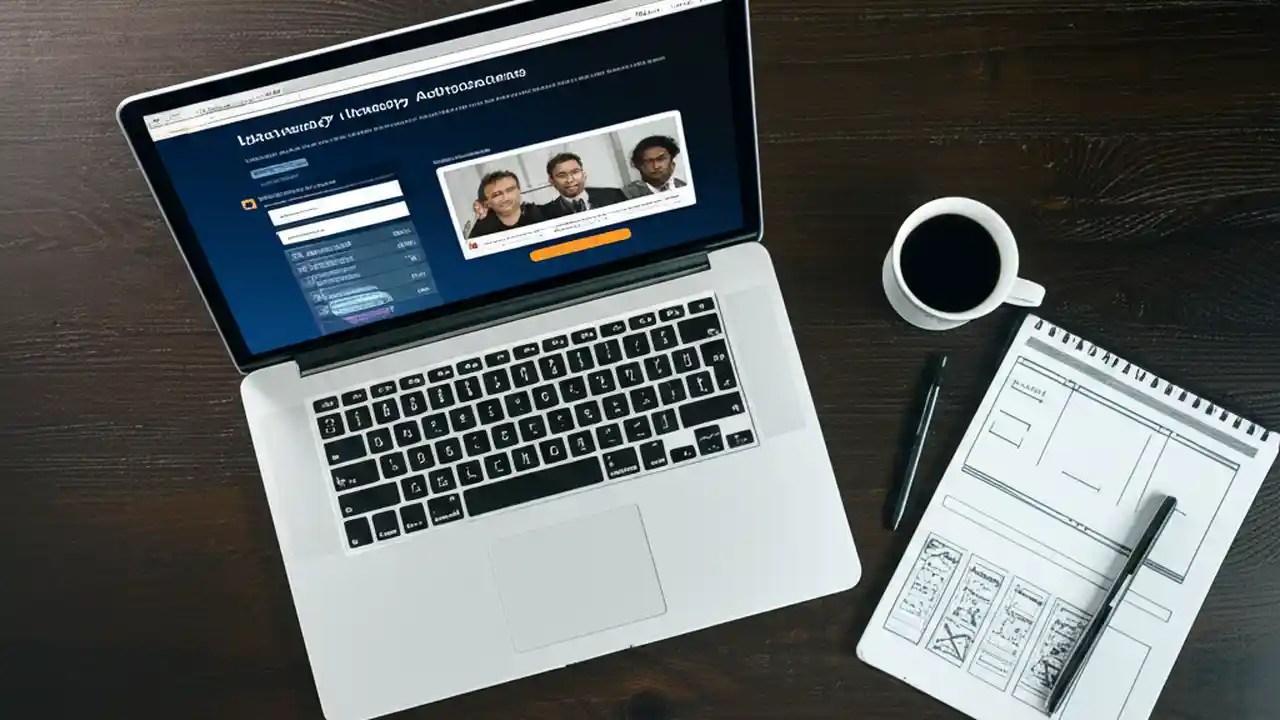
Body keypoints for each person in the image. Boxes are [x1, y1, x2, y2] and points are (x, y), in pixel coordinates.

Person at [539, 152, 627, 220]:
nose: (570, 180)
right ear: (551, 181)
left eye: (575, 172)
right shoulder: (544, 214)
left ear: (584, 174)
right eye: (562, 175)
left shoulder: (613, 196)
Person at [468, 170, 544, 238]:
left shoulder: (544, 213)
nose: (505, 198)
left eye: (510, 190)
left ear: (519, 190)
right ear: (486, 203)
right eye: (496, 194)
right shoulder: (480, 233)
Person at [623, 135, 688, 199]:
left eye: (661, 159)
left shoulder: (684, 186)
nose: (656, 166)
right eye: (649, 161)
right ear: (639, 166)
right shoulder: (626, 195)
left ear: (672, 163)